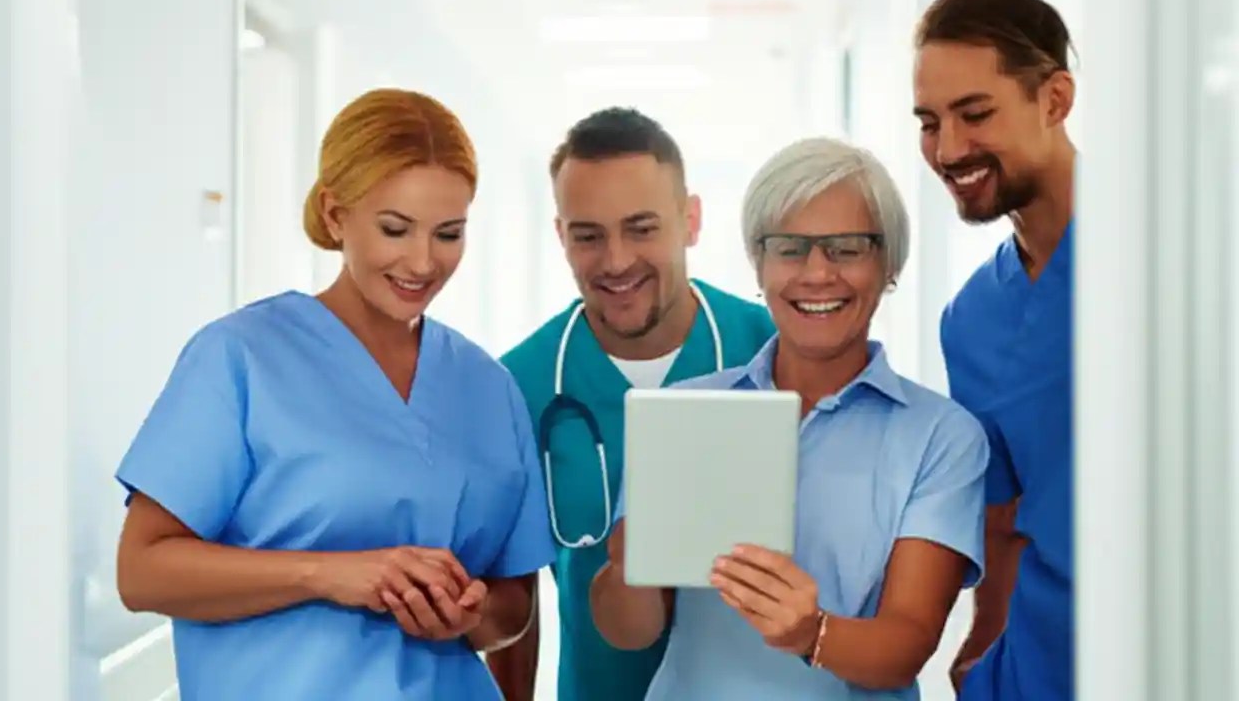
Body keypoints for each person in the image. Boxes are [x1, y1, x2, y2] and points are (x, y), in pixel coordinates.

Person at [113, 88, 555, 701]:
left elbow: (515, 604)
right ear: (334, 214)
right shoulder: (241, 358)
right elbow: (142, 571)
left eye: (448, 233)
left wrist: (467, 615)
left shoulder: (487, 386)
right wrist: (329, 574)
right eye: (395, 229)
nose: (423, 262)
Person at [590, 137, 990, 700]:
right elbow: (630, 631)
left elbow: (908, 645)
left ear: (890, 264)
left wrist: (813, 633)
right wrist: (629, 571)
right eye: (789, 248)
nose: (817, 273)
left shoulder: (940, 438)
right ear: (759, 264)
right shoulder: (686, 413)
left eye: (848, 248)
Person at [485, 107, 776, 701]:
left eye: (642, 228)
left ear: (690, 220)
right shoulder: (518, 383)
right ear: (561, 236)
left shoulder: (769, 349)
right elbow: (515, 594)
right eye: (589, 236)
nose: (616, 261)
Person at [911, 0, 1078, 700]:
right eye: (928, 122)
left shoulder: (1177, 253)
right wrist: (983, 642)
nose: (948, 150)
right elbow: (1004, 516)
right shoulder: (971, 319)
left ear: (1054, 100)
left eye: (975, 114)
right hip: (1036, 664)